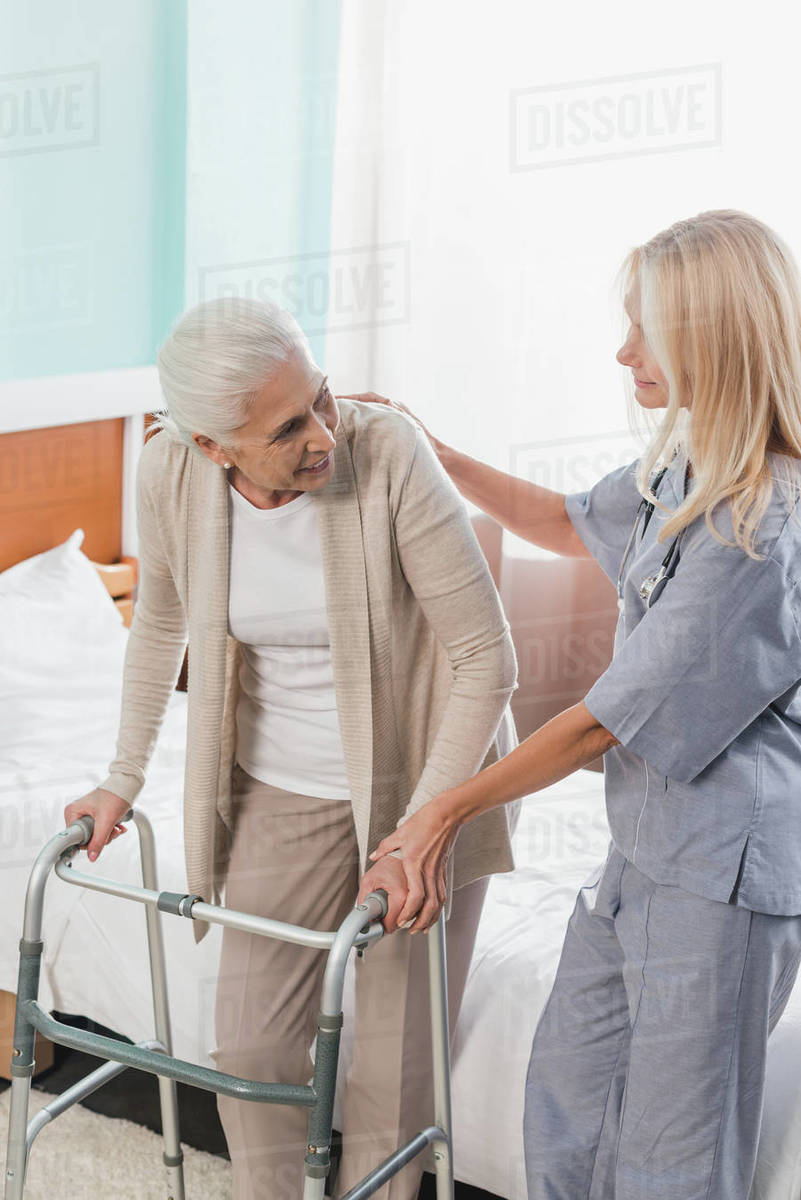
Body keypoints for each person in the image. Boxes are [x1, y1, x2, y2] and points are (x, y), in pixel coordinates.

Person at [366, 209, 801, 1199]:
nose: (624, 351)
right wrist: (432, 451)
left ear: (713, 339)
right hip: (640, 848)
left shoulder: (761, 525)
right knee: (568, 1096)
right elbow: (565, 523)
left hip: (719, 878)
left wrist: (441, 812)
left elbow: (603, 721)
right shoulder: (684, 461)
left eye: (647, 329)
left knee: (672, 1155)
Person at [63, 296, 519, 1199]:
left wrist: (421, 831)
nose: (323, 434)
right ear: (211, 446)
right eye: (286, 428)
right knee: (252, 1048)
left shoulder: (388, 453)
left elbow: (485, 657)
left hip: (430, 776)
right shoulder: (168, 471)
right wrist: (122, 777)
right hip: (281, 783)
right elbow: (159, 625)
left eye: (321, 397)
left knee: (390, 1072)